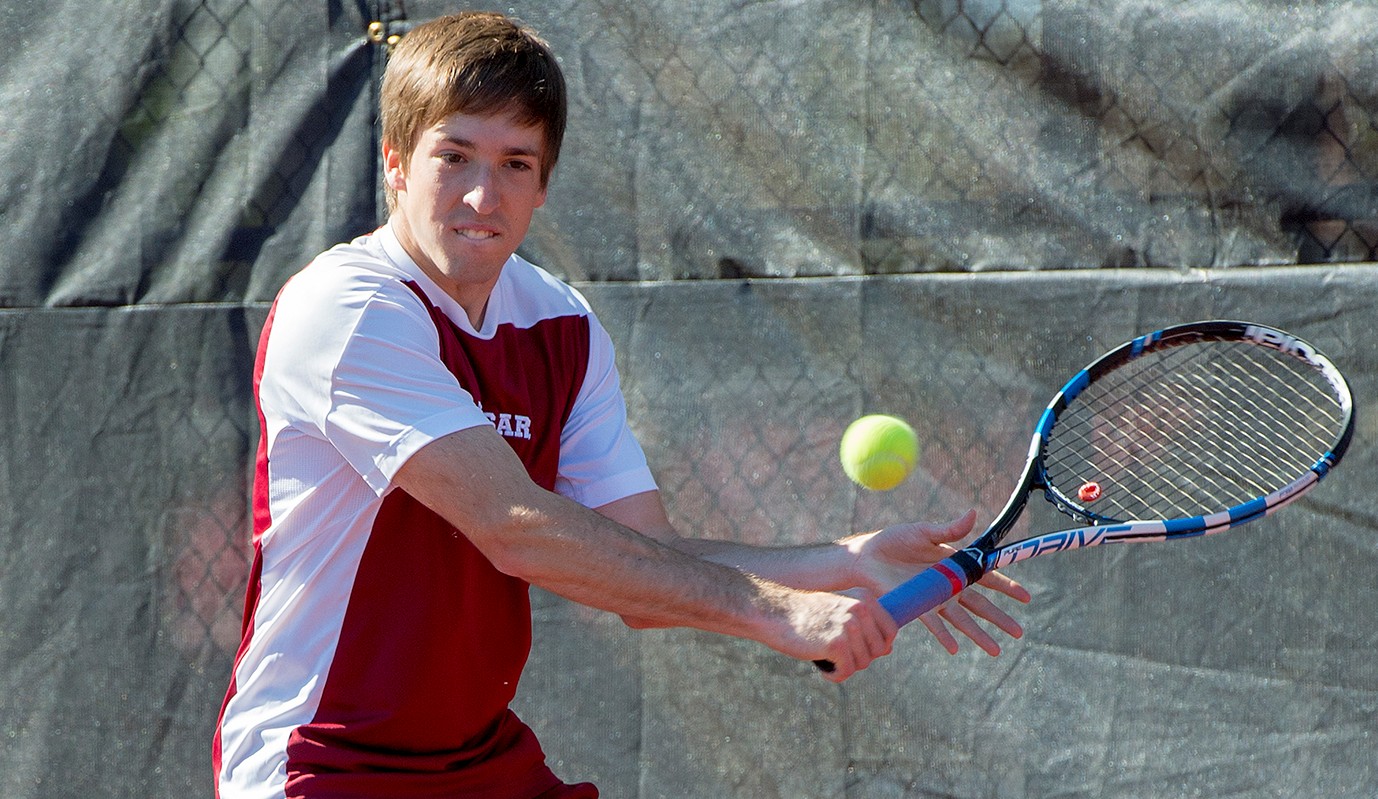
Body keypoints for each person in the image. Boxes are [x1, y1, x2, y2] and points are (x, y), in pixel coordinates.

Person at [212, 11, 1030, 799]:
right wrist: (781, 612)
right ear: (395, 162)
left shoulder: (559, 324)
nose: (481, 195)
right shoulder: (351, 308)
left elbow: (643, 557)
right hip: (323, 760)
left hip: (477, 759)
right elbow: (511, 526)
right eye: (453, 156)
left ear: (544, 186)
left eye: (515, 164)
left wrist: (840, 559)